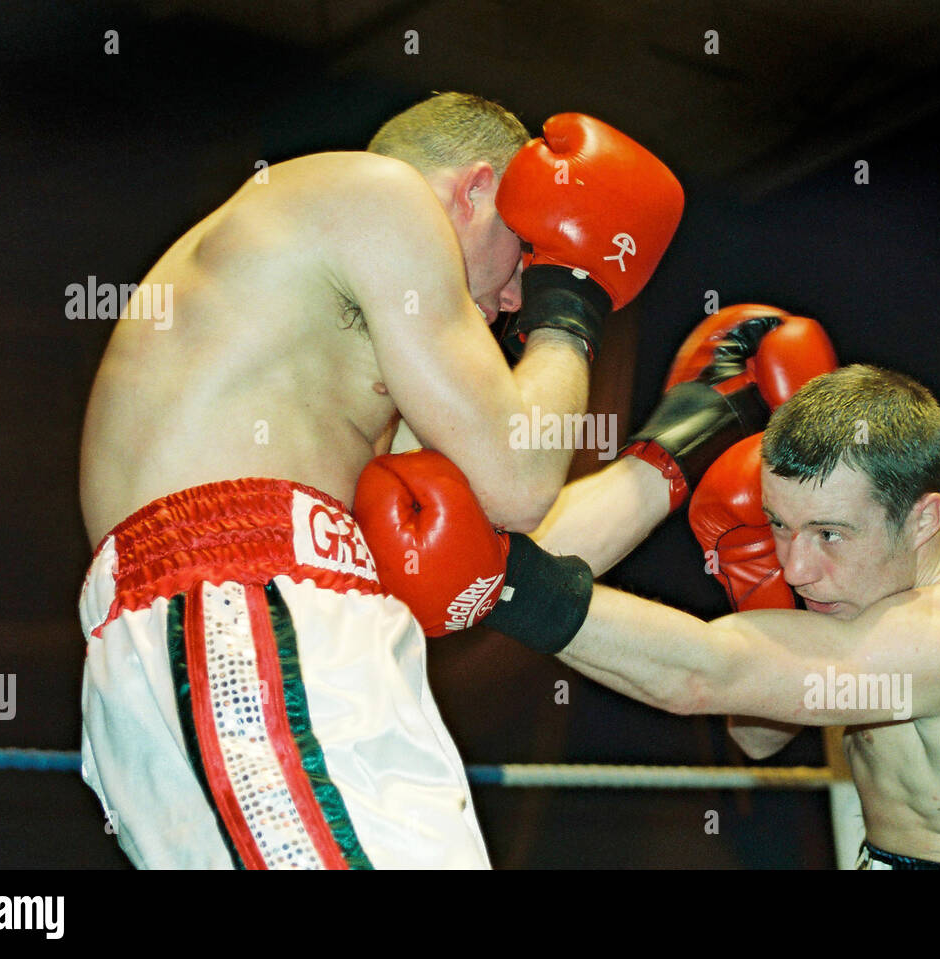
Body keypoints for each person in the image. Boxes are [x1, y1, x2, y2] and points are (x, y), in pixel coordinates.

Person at [76, 91, 683, 869]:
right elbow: (521, 476)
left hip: (253, 627)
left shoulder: (337, 349)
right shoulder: (379, 192)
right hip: (241, 619)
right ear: (476, 189)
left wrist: (676, 453)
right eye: (524, 257)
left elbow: (507, 555)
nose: (510, 301)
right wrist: (572, 299)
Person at [363, 352, 940, 869]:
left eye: (828, 534)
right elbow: (761, 737)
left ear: (924, 521)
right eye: (778, 526)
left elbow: (703, 674)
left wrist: (508, 580)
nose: (796, 567)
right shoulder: (879, 525)